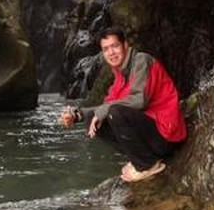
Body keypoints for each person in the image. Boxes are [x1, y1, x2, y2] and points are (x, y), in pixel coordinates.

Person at [59, 26, 187, 182]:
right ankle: (140, 158)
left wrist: (105, 110)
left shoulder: (142, 61)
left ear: (125, 45)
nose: (111, 52)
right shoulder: (120, 74)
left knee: (115, 112)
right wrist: (77, 114)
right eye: (106, 49)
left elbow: (139, 99)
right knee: (94, 119)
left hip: (166, 135)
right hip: (152, 136)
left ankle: (147, 165)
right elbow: (105, 106)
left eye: (115, 46)